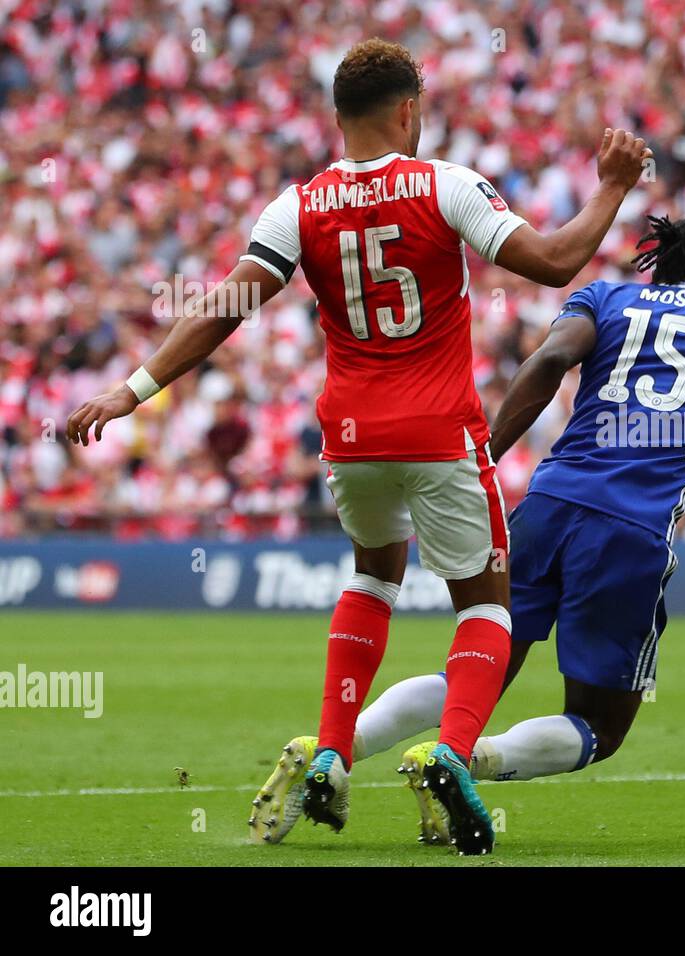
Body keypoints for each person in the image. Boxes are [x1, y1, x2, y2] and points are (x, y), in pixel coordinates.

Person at [65, 38, 652, 855]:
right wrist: (614, 188)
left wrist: (128, 390)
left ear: (337, 117)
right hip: (439, 426)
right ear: (408, 110)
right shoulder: (446, 185)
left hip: (348, 434)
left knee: (373, 575)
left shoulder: (296, 205)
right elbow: (555, 261)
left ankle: (333, 753)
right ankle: (451, 754)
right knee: (484, 605)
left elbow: (223, 307)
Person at [267, 214, 685, 848]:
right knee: (598, 726)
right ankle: (462, 763)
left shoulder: (606, 296)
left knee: (475, 671)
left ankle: (333, 746)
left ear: (656, 269)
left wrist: (486, 454)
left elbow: (553, 356)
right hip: (631, 532)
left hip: (547, 505)